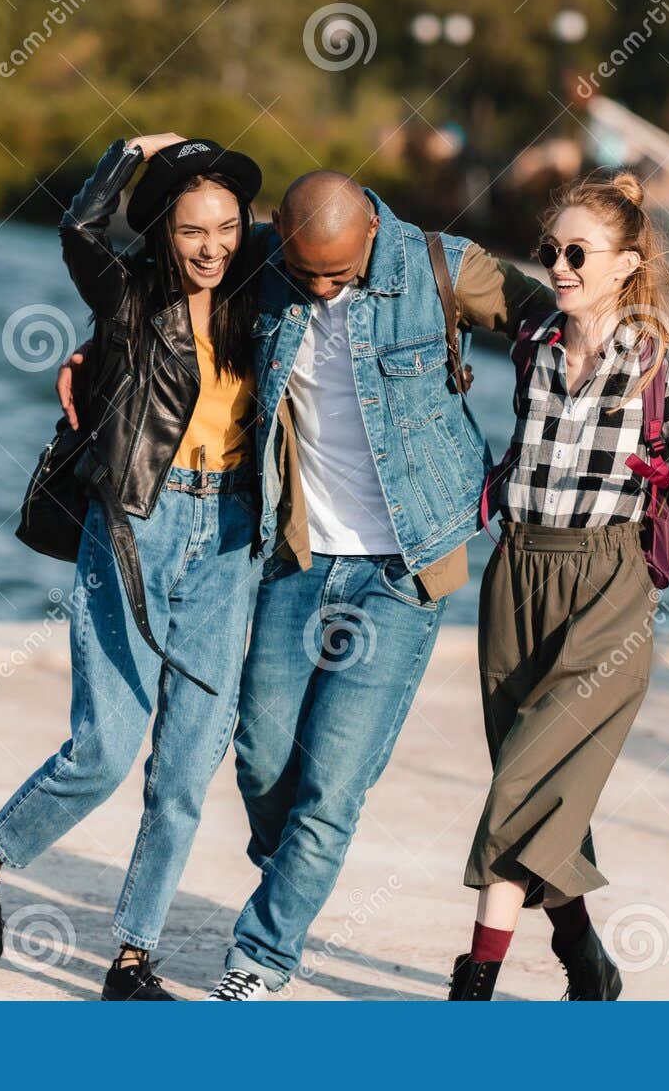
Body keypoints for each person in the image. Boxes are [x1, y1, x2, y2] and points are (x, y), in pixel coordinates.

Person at [199, 171, 553, 1001]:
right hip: (297, 557)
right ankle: (293, 881)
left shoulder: (439, 266)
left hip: (403, 567)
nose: (320, 289)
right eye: (305, 272)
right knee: (259, 757)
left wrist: (528, 462)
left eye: (336, 272)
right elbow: (167, 307)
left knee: (332, 786)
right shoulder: (264, 265)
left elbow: (557, 320)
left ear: (369, 233)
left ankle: (259, 958)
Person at [0, 133, 267, 1001]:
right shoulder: (125, 296)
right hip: (136, 523)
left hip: (231, 532)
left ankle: (133, 959)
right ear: (163, 231)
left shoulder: (257, 293)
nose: (212, 248)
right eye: (193, 231)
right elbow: (79, 228)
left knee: (188, 768)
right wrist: (129, 151)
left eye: (228, 228)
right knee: (105, 750)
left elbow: (334, 237)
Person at [449, 172, 669, 1002]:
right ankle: (586, 961)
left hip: (608, 591)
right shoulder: (532, 346)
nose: (560, 267)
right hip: (515, 574)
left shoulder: (663, 369)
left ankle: (473, 985)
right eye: (552, 251)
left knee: (520, 782)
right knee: (544, 789)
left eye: (579, 253)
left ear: (627, 264)